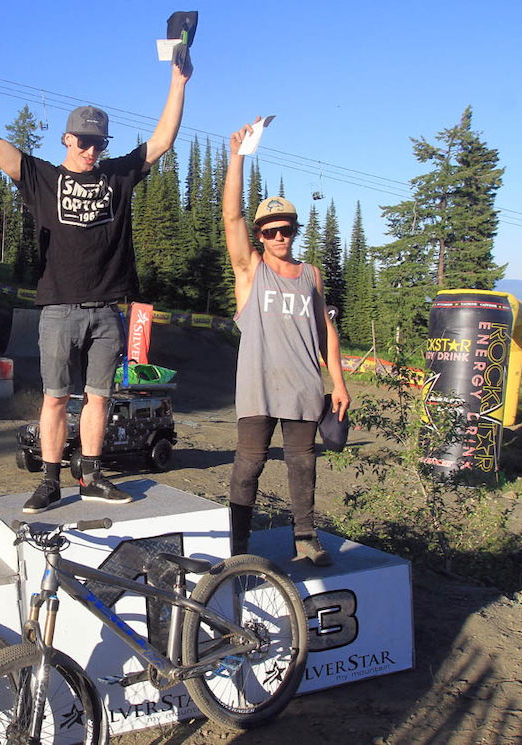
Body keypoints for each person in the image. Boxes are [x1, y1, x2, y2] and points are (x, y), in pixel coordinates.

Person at [0, 42, 193, 514]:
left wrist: (178, 83)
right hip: (58, 308)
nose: (90, 149)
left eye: (98, 142)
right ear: (66, 139)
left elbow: (162, 140)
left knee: (99, 399)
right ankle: (48, 481)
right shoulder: (40, 178)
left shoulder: (118, 177)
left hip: (106, 310)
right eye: (82, 141)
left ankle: (93, 475)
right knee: (56, 399)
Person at [222, 116, 351, 567]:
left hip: (302, 387)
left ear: (294, 231)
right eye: (270, 231)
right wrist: (237, 156)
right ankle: (238, 546)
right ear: (259, 236)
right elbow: (231, 215)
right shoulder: (250, 271)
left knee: (303, 463)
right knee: (249, 465)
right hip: (257, 386)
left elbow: (326, 331)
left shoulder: (311, 275)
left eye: (286, 229)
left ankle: (305, 538)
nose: (279, 236)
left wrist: (338, 383)